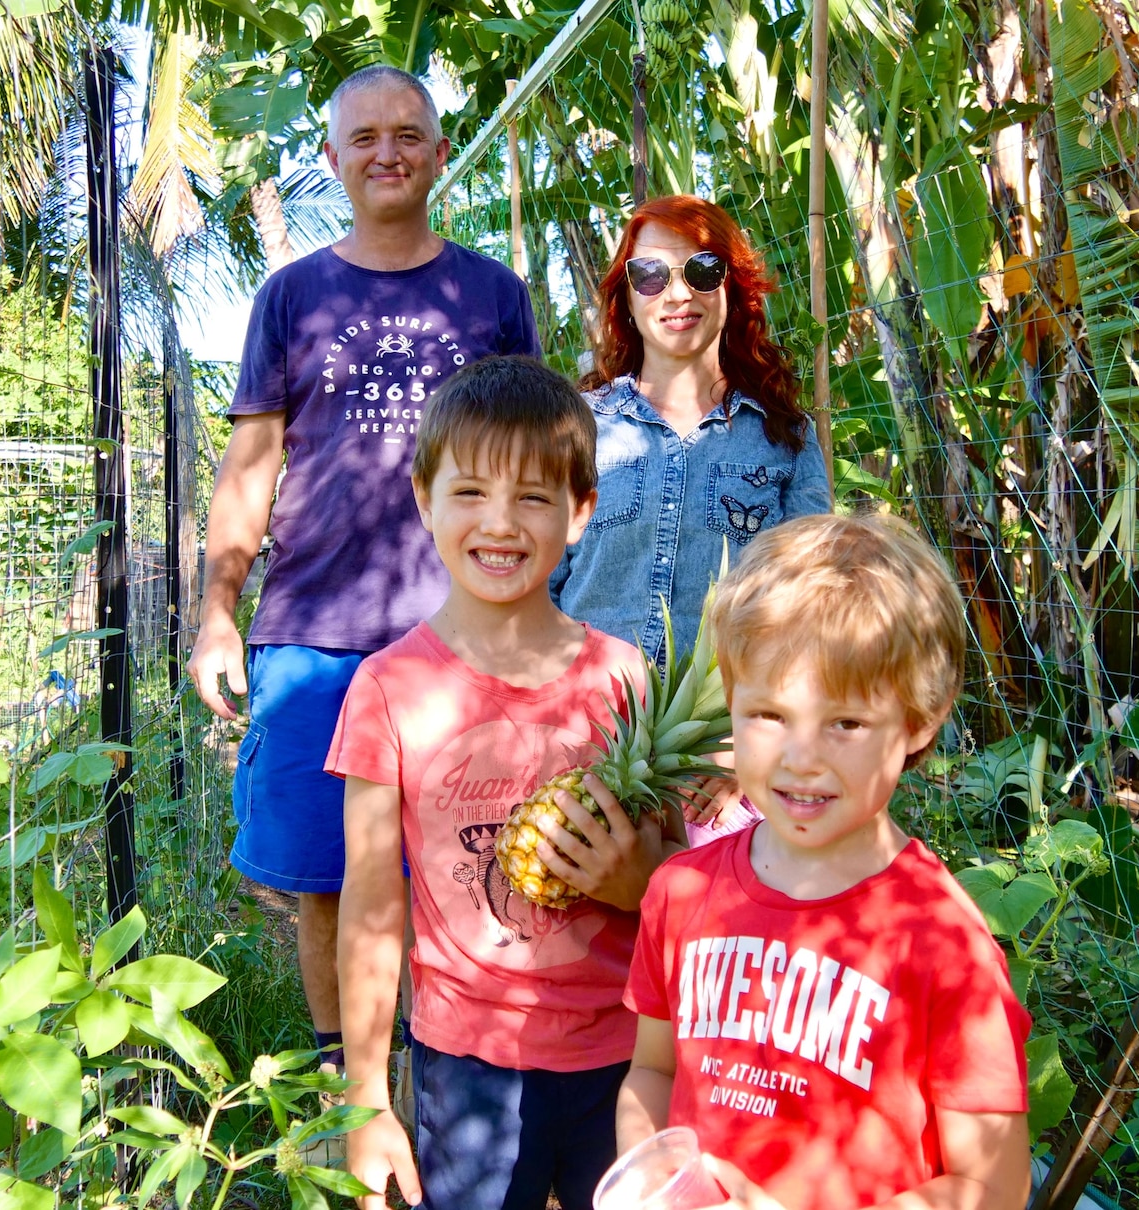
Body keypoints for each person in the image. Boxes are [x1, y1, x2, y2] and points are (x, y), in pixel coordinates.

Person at [184, 64, 540, 1070]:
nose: (389, 150)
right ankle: (346, 1087)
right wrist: (219, 611)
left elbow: (529, 469)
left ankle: (453, 1079)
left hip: (459, 640)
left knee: (467, 872)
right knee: (322, 877)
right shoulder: (290, 295)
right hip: (310, 639)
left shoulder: (494, 295)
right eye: (366, 136)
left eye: (409, 133)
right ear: (333, 159)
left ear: (435, 152)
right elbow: (252, 463)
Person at [332, 357, 685, 1210]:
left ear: (581, 511)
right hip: (466, 1062)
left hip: (621, 1058)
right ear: (423, 499)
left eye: (533, 496)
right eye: (471, 493)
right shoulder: (387, 688)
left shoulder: (626, 679)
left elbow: (680, 877)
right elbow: (372, 906)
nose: (501, 522)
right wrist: (367, 1100)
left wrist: (637, 883)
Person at [615, 514, 1035, 1210]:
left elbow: (994, 1183)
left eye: (845, 723)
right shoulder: (682, 892)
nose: (800, 756)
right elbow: (653, 1071)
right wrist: (650, 1170)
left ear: (919, 724)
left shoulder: (940, 943)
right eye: (769, 715)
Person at [552, 195, 831, 663]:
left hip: (726, 725)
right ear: (627, 295)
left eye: (703, 270)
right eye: (650, 274)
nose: (678, 294)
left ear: (732, 286)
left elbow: (809, 598)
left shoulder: (785, 436)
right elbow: (539, 586)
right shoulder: (575, 426)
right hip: (590, 720)